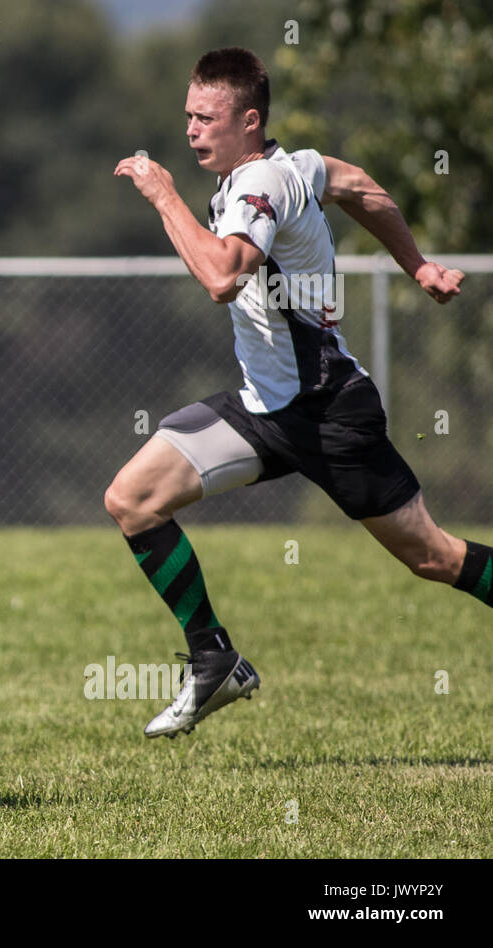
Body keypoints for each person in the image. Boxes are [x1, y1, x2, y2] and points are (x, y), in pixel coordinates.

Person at [108, 47, 479, 739]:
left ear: (249, 120)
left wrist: (163, 196)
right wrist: (419, 265)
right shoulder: (295, 166)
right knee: (132, 499)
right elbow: (362, 186)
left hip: (330, 413)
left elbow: (222, 278)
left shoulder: (259, 187)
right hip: (263, 409)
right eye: (187, 116)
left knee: (433, 557)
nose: (191, 130)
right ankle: (214, 661)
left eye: (206, 118)